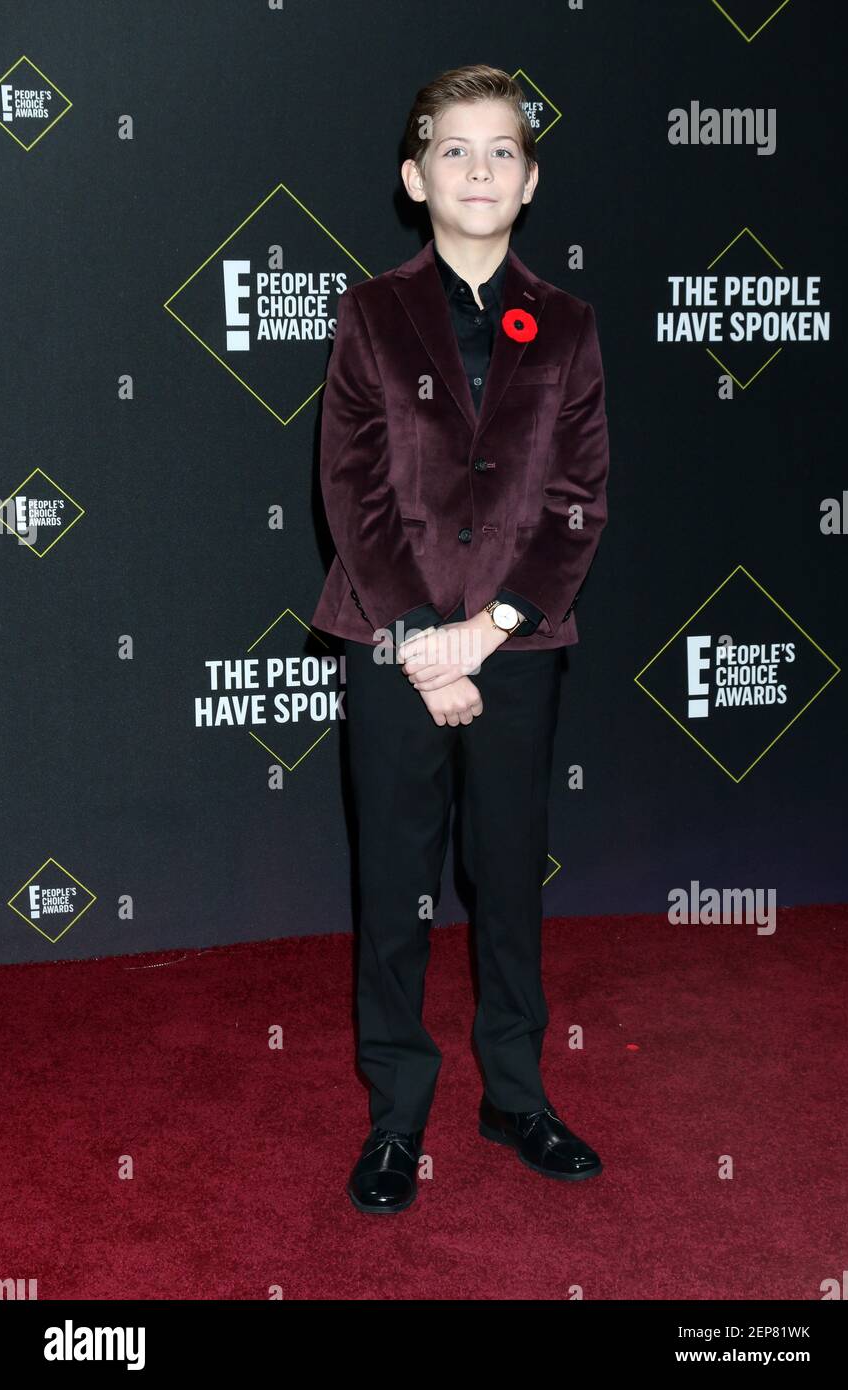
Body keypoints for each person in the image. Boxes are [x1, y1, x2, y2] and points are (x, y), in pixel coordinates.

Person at [311, 64, 610, 1214]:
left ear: (528, 181)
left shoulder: (569, 326)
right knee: (395, 888)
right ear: (412, 175)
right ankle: (395, 1117)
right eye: (453, 150)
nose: (476, 169)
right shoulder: (369, 313)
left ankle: (515, 1095)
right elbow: (350, 486)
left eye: (500, 152)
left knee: (506, 883)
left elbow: (578, 494)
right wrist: (424, 639)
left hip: (518, 650)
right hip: (392, 646)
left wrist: (486, 631)